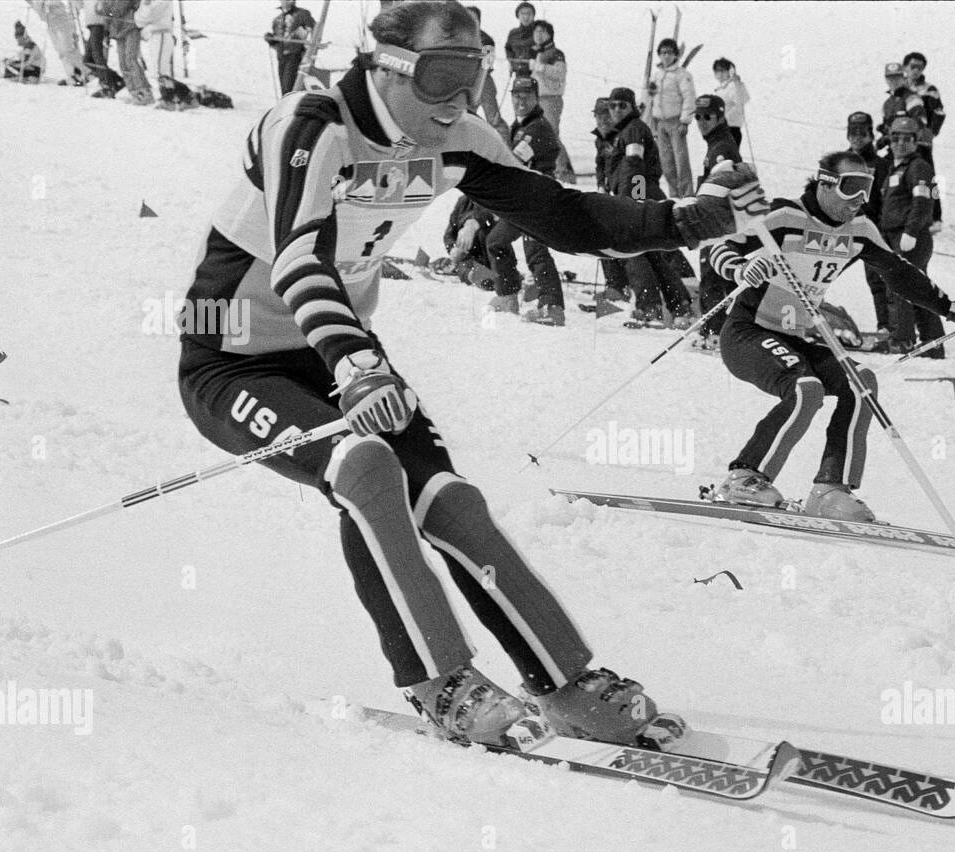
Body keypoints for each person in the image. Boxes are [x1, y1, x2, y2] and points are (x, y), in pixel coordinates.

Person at [175, 1, 767, 749]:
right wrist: (356, 364)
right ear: (383, 66)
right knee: (363, 468)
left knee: (450, 501)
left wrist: (686, 220)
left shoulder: (457, 137)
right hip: (232, 356)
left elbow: (570, 219)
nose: (460, 98)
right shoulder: (313, 122)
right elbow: (298, 255)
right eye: (441, 77)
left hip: (338, 347)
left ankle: (563, 680)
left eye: (475, 73)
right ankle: (438, 679)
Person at [708, 150, 955, 520]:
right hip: (749, 331)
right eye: (851, 187)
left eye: (867, 187)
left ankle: (830, 490)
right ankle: (743, 478)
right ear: (825, 182)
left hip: (800, 336)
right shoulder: (783, 215)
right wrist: (740, 266)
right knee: (805, 390)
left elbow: (902, 275)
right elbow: (719, 245)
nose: (860, 198)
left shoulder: (860, 229)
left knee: (862, 384)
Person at [605, 86, 695, 325]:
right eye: (612, 105)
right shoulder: (628, 130)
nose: (616, 110)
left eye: (622, 105)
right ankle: (680, 305)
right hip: (644, 196)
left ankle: (650, 306)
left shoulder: (633, 131)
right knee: (652, 253)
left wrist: (631, 203)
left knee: (631, 250)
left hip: (639, 196)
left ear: (632, 107)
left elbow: (634, 165)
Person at [485, 76, 567, 325]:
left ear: (536, 98)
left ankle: (552, 308)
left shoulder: (537, 129)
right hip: (525, 200)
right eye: (516, 96)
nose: (521, 102)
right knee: (497, 241)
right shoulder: (520, 125)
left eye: (526, 97)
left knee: (536, 251)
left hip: (538, 199)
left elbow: (514, 162)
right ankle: (508, 295)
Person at [880, 114, 943, 356]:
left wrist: (911, 231)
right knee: (918, 290)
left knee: (901, 288)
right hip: (897, 236)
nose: (900, 143)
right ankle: (932, 344)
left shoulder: (918, 166)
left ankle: (903, 340)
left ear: (916, 141)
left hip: (910, 237)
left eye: (907, 138)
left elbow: (923, 202)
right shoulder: (897, 168)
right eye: (895, 138)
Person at [694, 94, 742, 347]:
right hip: (720, 221)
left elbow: (724, 188)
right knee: (716, 276)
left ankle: (714, 333)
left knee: (713, 276)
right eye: (698, 117)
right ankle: (718, 332)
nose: (701, 122)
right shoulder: (717, 143)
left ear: (721, 117)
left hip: (719, 223)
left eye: (707, 116)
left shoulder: (722, 148)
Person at [846, 110, 891, 341]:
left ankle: (886, 325)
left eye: (862, 133)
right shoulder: (840, 161)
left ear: (870, 135)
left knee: (877, 278)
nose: (857, 138)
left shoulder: (881, 164)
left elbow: (886, 198)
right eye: (852, 133)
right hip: (842, 227)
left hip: (870, 227)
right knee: (824, 270)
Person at [591, 96, 631, 303]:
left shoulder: (626, 136)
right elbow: (600, 165)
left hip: (634, 195)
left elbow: (639, 170)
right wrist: (601, 185)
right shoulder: (600, 139)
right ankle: (616, 284)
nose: (602, 121)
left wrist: (637, 198)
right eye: (598, 116)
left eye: (605, 116)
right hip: (615, 195)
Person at [648, 37, 696, 197]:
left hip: (676, 122)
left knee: (681, 161)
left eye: (669, 52)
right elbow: (651, 97)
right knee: (666, 162)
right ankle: (674, 195)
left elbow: (689, 97)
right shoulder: (657, 75)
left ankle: (687, 194)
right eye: (663, 53)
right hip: (660, 123)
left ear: (675, 54)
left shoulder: (681, 74)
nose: (666, 56)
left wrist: (685, 121)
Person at [527, 19, 574, 182]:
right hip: (538, 98)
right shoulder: (535, 53)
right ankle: (555, 168)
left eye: (542, 32)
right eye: (536, 32)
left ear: (549, 34)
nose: (538, 35)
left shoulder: (556, 53)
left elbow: (559, 73)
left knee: (552, 134)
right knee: (542, 134)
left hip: (551, 99)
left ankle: (564, 171)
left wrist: (540, 67)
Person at [901, 51, 944, 228]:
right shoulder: (901, 89)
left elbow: (939, 113)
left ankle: (936, 216)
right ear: (905, 68)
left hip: (921, 142)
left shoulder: (929, 89)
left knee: (929, 177)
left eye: (920, 67)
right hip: (901, 141)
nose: (916, 70)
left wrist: (929, 133)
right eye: (913, 66)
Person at [465, 5, 509, 141]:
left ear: (478, 20)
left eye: (472, 17)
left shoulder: (486, 39)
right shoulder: (459, 38)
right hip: (466, 81)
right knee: (466, 116)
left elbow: (487, 64)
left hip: (483, 82)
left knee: (493, 118)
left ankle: (506, 148)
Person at [103, 0, 153, 104]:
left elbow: (132, 5)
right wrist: (106, 32)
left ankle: (144, 91)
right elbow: (105, 12)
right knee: (123, 63)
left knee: (130, 59)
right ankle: (134, 91)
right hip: (117, 30)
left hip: (130, 26)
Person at [28, 1, 87, 86]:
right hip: (52, 22)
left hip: (64, 20)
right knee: (60, 50)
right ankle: (72, 74)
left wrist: (75, 10)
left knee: (68, 48)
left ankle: (82, 73)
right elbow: (41, 12)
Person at [266, 0, 315, 96]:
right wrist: (271, 39)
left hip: (296, 55)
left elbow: (314, 29)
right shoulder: (277, 20)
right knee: (284, 87)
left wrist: (310, 48)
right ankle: (285, 107)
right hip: (281, 57)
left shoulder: (302, 14)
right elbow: (276, 43)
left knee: (290, 87)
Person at [712, 57, 749, 148]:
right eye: (717, 71)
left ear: (730, 71)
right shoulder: (721, 89)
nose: (719, 74)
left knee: (728, 157)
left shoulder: (733, 86)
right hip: (721, 128)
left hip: (731, 128)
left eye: (723, 70)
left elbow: (741, 101)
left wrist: (737, 83)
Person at [504, 0, 535, 77]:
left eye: (529, 13)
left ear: (533, 15)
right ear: (518, 15)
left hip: (536, 74)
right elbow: (508, 48)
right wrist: (511, 60)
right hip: (518, 73)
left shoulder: (539, 33)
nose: (526, 17)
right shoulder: (513, 33)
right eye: (522, 13)